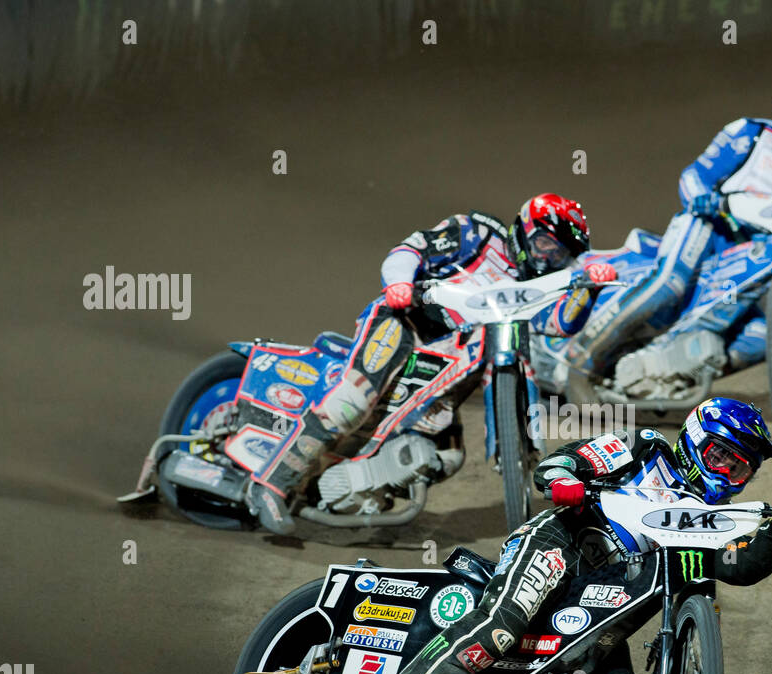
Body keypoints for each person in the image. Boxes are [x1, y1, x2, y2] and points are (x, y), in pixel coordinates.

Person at [352, 397, 772, 674]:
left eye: (739, 470)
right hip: (562, 546)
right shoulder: (645, 448)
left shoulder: (712, 523)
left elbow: (741, 567)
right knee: (498, 629)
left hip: (605, 606)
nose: (725, 473)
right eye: (720, 456)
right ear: (696, 440)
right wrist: (567, 483)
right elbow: (560, 463)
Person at [244, 194, 616, 534]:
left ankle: (343, 485)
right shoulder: (479, 234)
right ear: (525, 231)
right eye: (545, 244)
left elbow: (558, 324)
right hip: (407, 325)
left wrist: (588, 290)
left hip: (446, 373)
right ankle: (270, 484)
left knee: (448, 454)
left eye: (560, 255)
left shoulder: (536, 287)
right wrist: (400, 283)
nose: (547, 258)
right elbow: (412, 248)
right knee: (351, 402)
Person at [562, 70, 772, 385]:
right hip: (712, 226)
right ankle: (585, 355)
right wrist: (702, 199)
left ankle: (677, 371)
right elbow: (694, 176)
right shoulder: (746, 135)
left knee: (769, 335)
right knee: (670, 284)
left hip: (762, 255)